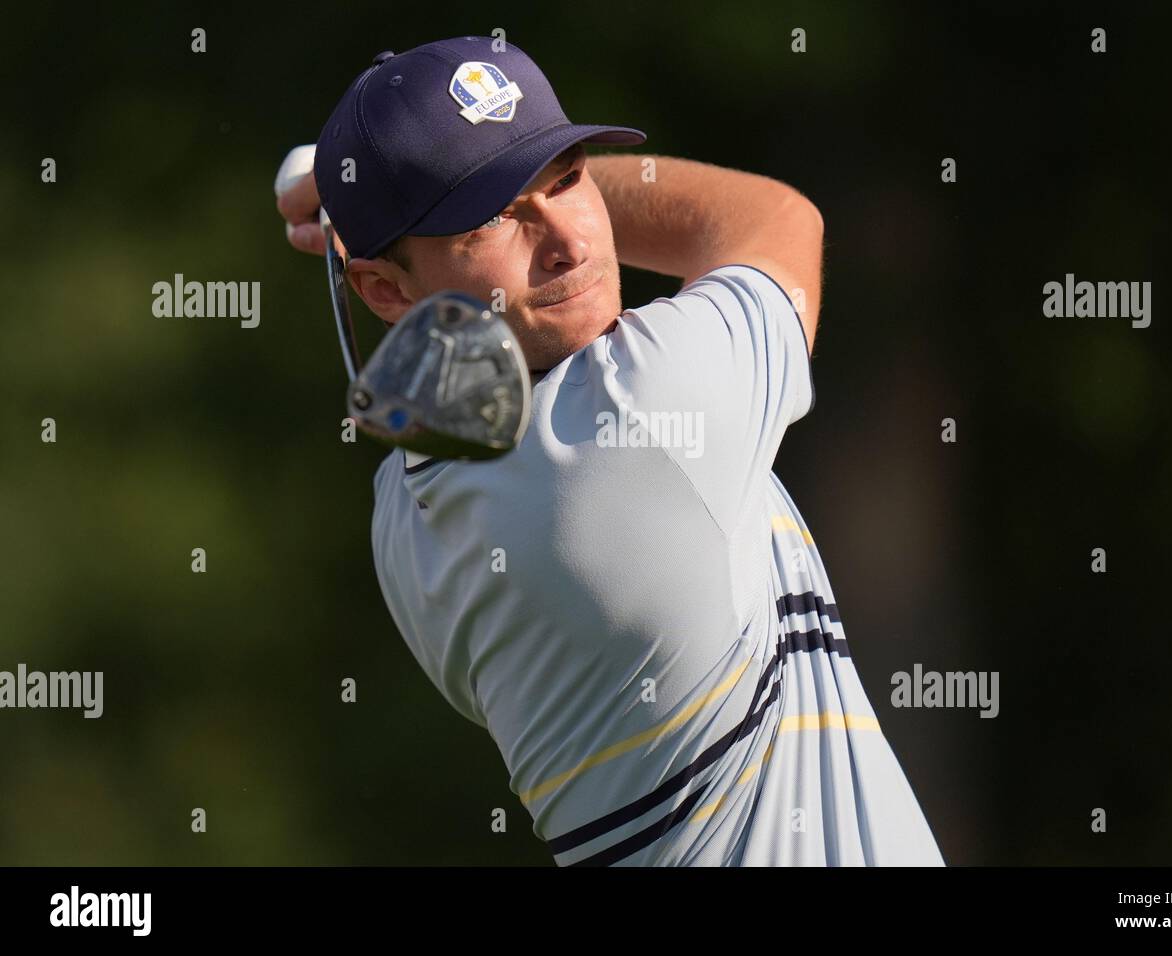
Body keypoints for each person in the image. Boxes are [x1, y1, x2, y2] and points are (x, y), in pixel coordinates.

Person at [277, 36, 943, 866]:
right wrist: (363, 210)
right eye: (496, 218)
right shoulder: (646, 412)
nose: (569, 240)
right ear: (383, 289)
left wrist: (382, 215)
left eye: (568, 177)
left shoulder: (399, 525)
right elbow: (777, 221)